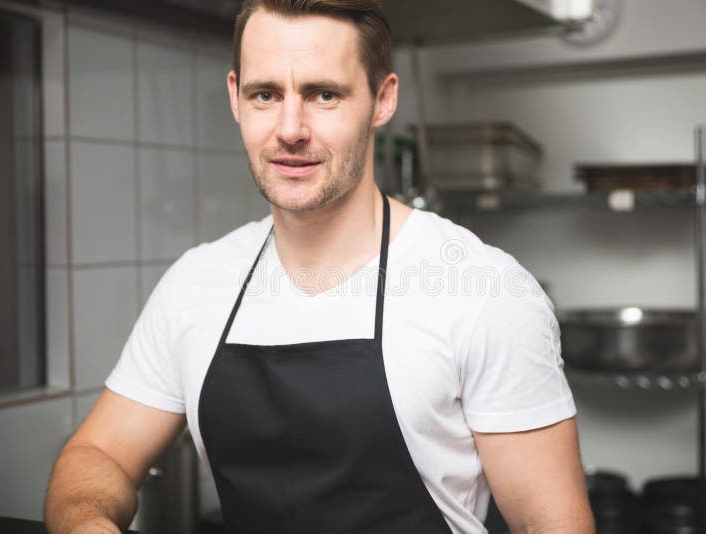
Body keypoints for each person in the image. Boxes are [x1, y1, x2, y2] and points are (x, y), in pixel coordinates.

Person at [45, 1, 594, 532]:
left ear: (383, 99)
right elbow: (98, 453)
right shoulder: (196, 283)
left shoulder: (483, 289)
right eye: (265, 94)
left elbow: (550, 525)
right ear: (235, 97)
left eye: (323, 94)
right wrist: (88, 522)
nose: (290, 129)